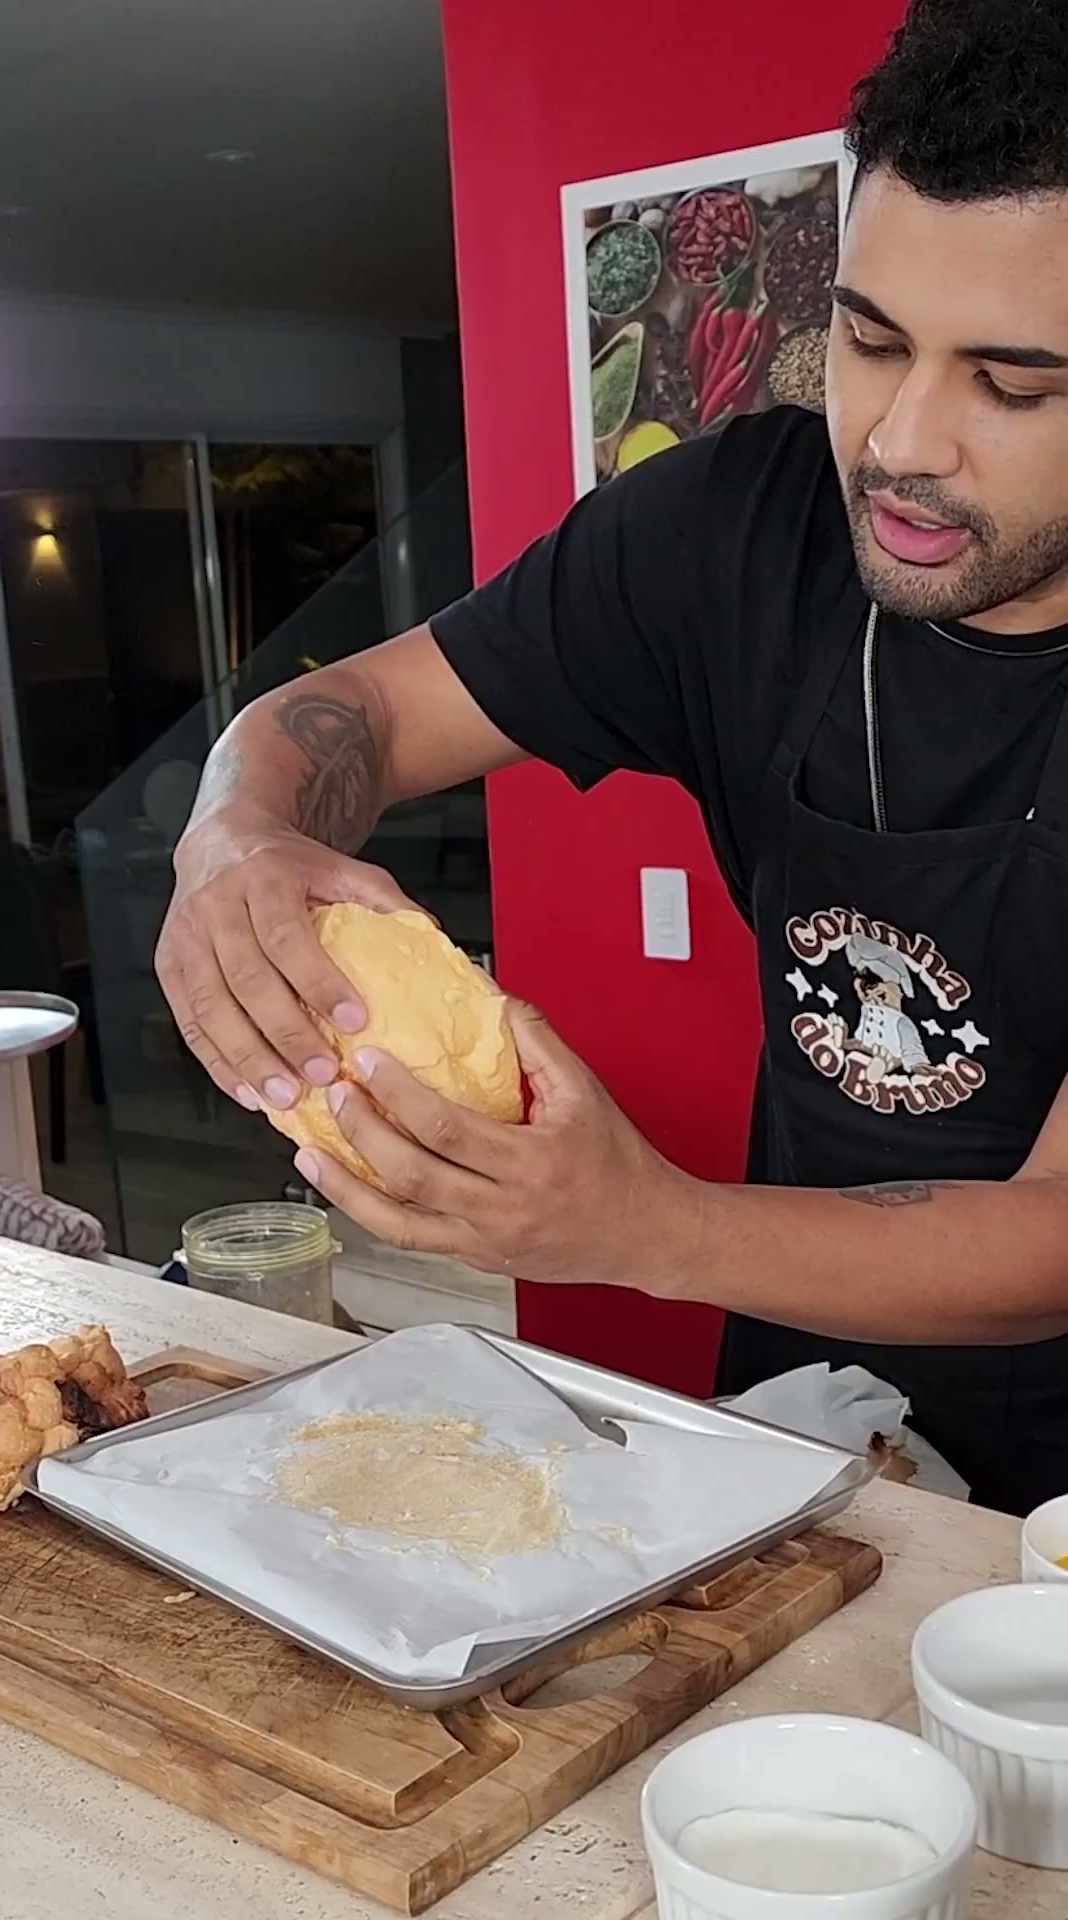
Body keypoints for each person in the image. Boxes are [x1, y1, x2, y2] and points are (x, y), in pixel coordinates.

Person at [157, 0, 1068, 1514]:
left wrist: (640, 1226)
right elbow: (355, 717)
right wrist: (236, 831)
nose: (904, 441)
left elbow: (1053, 1231)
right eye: (869, 337)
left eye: (1017, 385)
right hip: (803, 1421)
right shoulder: (729, 535)